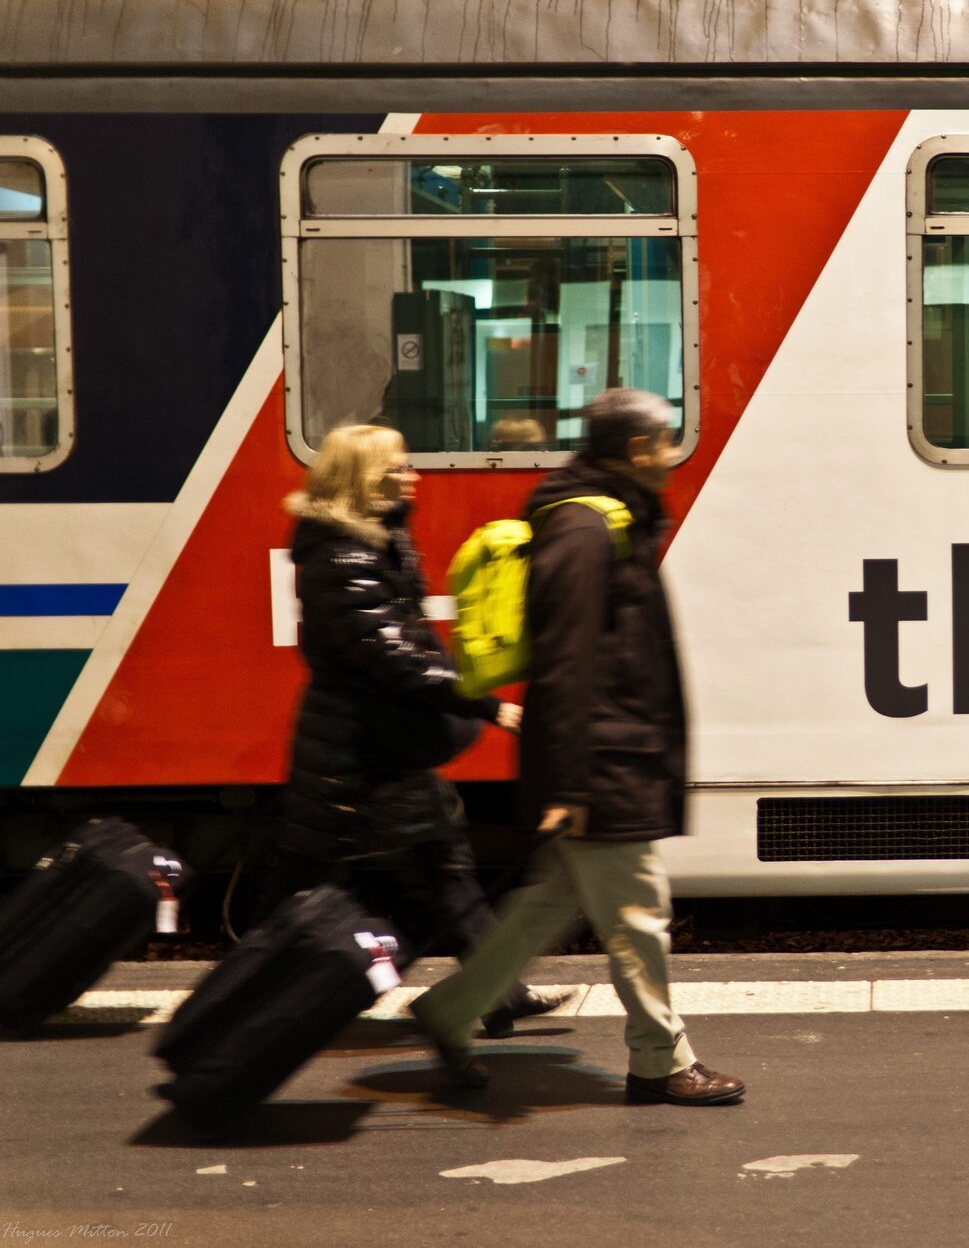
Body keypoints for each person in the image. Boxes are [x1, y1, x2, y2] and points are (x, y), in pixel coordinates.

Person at [410, 390, 744, 1105]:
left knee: (548, 903)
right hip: (599, 762)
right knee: (638, 915)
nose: (671, 455)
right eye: (663, 442)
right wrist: (568, 782)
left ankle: (449, 1010)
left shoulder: (607, 518)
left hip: (608, 755)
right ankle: (662, 1059)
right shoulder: (583, 529)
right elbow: (565, 665)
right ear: (635, 451)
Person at [262, 423, 557, 1038]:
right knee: (308, 882)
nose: (412, 476)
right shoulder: (342, 555)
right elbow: (393, 655)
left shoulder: (371, 539)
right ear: (364, 480)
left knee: (442, 863)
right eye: (398, 469)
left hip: (379, 739)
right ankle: (255, 1004)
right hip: (354, 749)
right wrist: (485, 704)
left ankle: (499, 993)